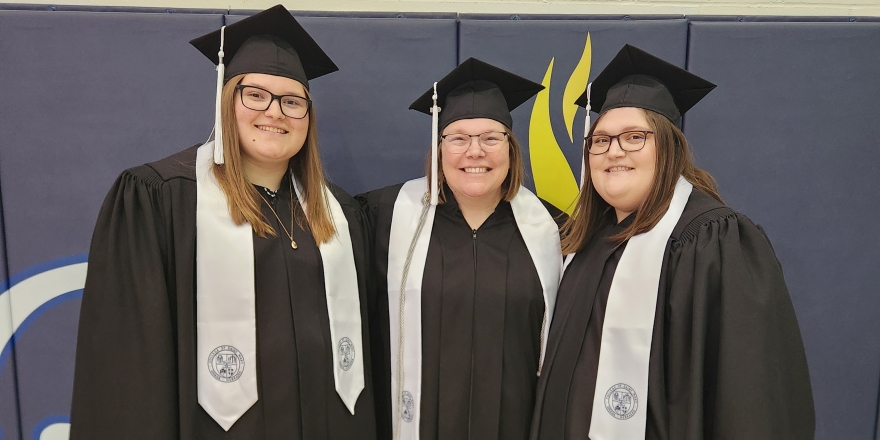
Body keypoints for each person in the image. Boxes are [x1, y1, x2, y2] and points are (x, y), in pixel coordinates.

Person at [70, 5, 376, 439]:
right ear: (226, 99)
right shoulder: (161, 198)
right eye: (256, 95)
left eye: (292, 102)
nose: (275, 112)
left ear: (309, 117)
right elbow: (127, 366)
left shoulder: (339, 214)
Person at [530, 44, 814, 440]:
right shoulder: (583, 246)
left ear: (668, 147)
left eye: (634, 137)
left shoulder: (712, 240)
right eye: (601, 140)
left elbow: (750, 394)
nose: (614, 151)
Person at [358, 58, 564, 440]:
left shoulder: (555, 231)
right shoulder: (384, 217)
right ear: (439, 148)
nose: (475, 151)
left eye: (491, 138)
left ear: (511, 148)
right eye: (458, 138)